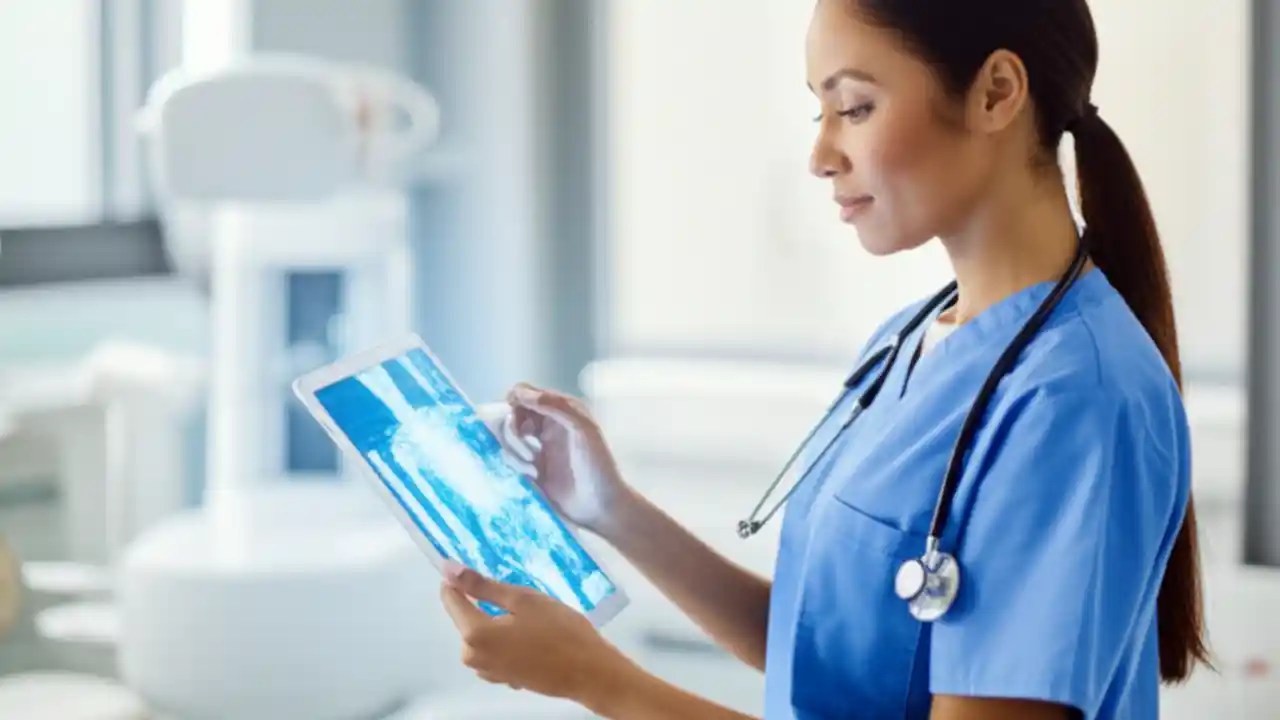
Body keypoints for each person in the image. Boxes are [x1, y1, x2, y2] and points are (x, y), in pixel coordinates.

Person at [437, 0, 1210, 717]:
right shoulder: (909, 340)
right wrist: (611, 510)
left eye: (854, 108)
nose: (820, 154)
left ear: (997, 92)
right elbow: (823, 651)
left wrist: (594, 680)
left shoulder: (1074, 400)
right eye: (821, 110)